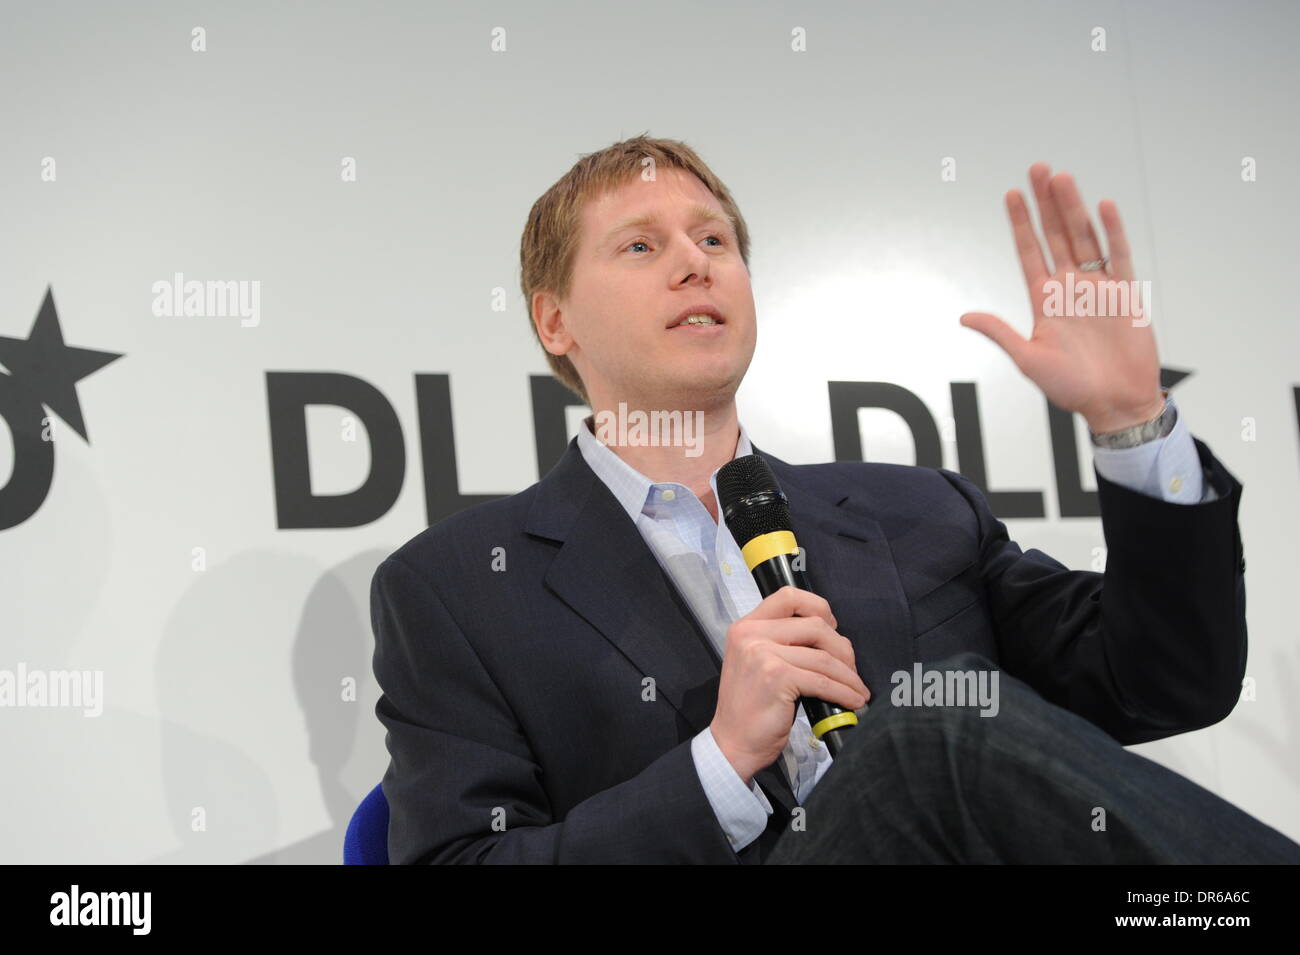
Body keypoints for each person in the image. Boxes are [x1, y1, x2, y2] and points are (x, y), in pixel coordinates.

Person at [369, 134, 1300, 863]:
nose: (695, 263)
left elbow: (1165, 680)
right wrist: (719, 764)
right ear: (554, 318)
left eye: (715, 238)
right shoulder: (457, 589)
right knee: (934, 726)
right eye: (643, 245)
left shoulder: (919, 513)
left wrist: (1133, 422)